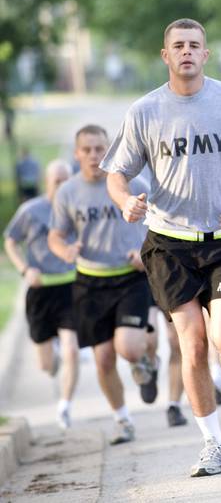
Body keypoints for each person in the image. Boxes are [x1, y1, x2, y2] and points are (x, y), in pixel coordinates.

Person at [102, 18, 221, 477]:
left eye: (194, 45)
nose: (186, 51)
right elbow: (116, 173)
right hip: (169, 243)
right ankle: (213, 444)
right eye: (177, 45)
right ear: (166, 55)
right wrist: (125, 201)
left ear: (206, 54)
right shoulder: (145, 111)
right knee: (192, 343)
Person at [48, 125, 158, 445]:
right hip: (90, 281)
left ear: (111, 151)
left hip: (130, 278)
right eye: (88, 149)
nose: (95, 155)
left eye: (100, 149)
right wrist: (65, 250)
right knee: (104, 358)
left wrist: (145, 251)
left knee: (128, 347)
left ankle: (144, 361)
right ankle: (123, 420)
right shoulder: (68, 192)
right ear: (76, 153)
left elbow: (160, 224)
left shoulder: (133, 184)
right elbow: (56, 235)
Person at [4, 159, 79, 428]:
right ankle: (53, 358)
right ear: (47, 181)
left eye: (66, 180)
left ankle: (65, 406)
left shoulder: (76, 209)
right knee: (46, 364)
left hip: (70, 286)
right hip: (40, 290)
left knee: (71, 349)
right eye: (57, 180)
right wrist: (25, 269)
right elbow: (10, 241)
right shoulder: (31, 210)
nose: (61, 185)